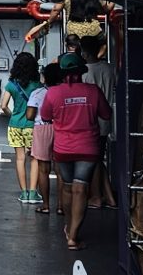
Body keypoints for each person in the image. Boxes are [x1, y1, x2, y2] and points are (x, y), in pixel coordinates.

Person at [40, 54, 111, 251]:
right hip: (88, 147)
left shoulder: (53, 93)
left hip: (63, 148)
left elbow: (45, 116)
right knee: (81, 189)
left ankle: (68, 226)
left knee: (68, 187)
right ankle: (73, 236)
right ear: (82, 71)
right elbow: (106, 114)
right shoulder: (93, 91)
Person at [78, 31, 118, 210]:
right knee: (98, 159)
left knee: (93, 160)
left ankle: (96, 197)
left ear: (84, 53)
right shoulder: (109, 68)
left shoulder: (84, 73)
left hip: (91, 121)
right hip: (107, 120)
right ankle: (109, 197)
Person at [0, 51, 41, 205]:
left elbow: (3, 106)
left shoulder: (11, 84)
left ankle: (23, 193)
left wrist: (13, 116)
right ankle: (33, 193)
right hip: (32, 126)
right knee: (35, 158)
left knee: (20, 158)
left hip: (15, 125)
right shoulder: (37, 85)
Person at [28, 61, 59, 214]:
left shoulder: (37, 93)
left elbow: (29, 115)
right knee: (60, 170)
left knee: (43, 169)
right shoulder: (63, 92)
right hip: (60, 129)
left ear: (45, 77)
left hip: (41, 128)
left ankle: (46, 205)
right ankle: (61, 206)